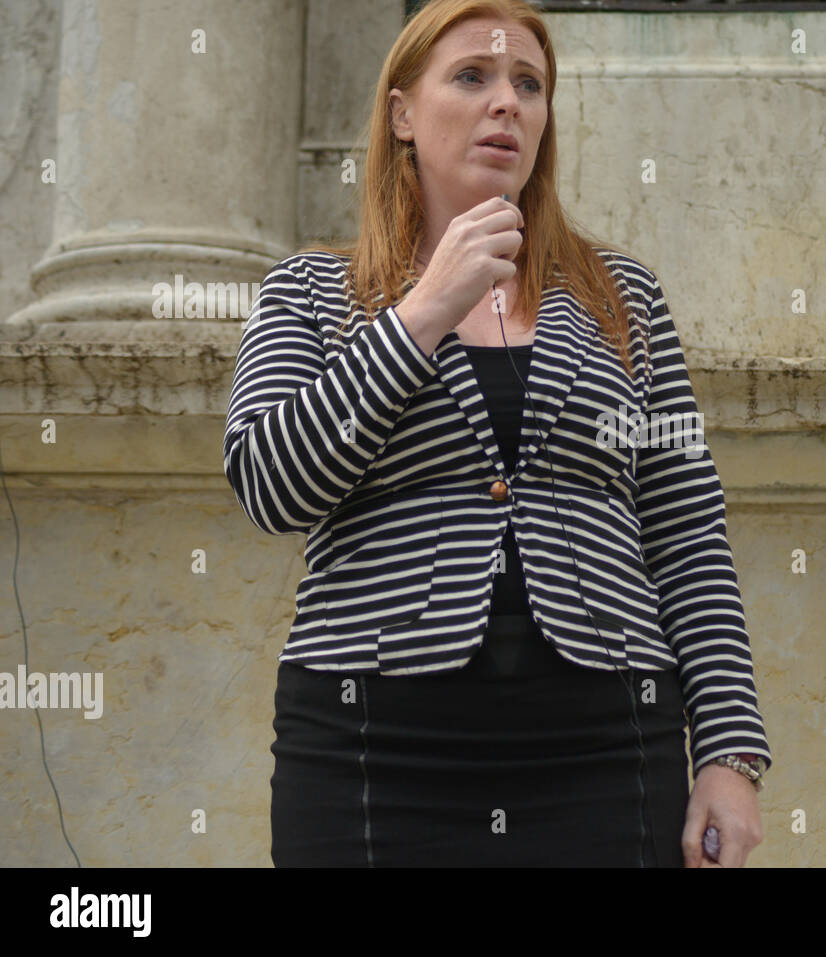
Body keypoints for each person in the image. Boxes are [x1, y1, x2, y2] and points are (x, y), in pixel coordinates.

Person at [223, 0, 773, 867]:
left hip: (605, 742)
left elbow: (687, 532)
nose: (507, 102)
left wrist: (730, 755)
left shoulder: (623, 298)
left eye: (529, 84)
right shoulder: (310, 291)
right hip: (371, 743)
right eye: (472, 76)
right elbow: (269, 483)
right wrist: (423, 314)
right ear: (403, 112)